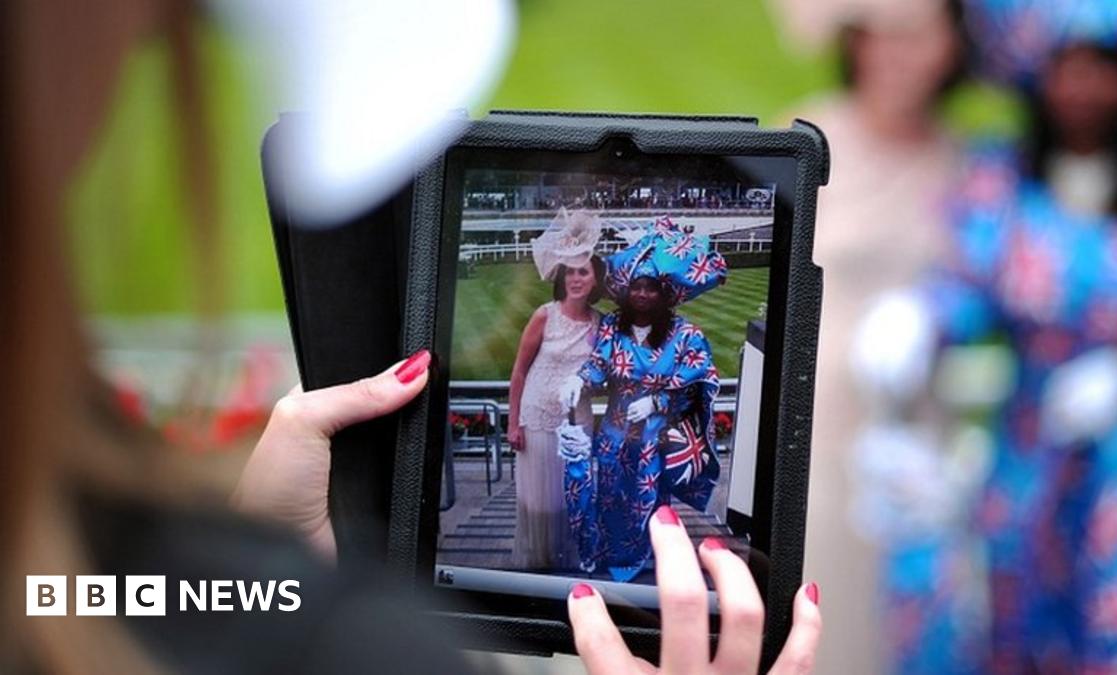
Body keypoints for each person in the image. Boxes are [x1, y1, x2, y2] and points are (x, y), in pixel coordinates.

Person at [4, 2, 824, 672]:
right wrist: (265, 591)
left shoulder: (80, 579)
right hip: (590, 462)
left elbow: (88, 594)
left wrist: (257, 579)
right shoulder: (334, 644)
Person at [859, 1, 1117, 669]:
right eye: (1063, 72)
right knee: (1001, 617)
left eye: (1099, 72)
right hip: (1027, 453)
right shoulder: (1003, 176)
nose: (1079, 91)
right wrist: (918, 316)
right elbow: (966, 280)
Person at [771, 1, 970, 672]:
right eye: (878, 37)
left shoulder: (964, 166)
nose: (896, 56)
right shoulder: (806, 140)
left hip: (910, 437)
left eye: (915, 37)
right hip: (813, 427)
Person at [559, 217, 727, 582]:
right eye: (637, 287)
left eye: (651, 288)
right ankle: (608, 557)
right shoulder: (611, 327)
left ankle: (649, 563)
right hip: (615, 432)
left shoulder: (686, 334)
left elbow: (700, 381)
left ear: (663, 293)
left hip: (655, 437)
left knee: (647, 500)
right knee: (608, 495)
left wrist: (658, 402)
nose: (643, 295)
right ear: (626, 290)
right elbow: (599, 365)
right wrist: (579, 379)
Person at [507, 208, 603, 570]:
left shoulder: (599, 323)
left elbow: (606, 372)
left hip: (576, 424)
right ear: (562, 277)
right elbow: (518, 372)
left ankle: (565, 564)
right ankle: (537, 565)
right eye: (571, 273)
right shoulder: (544, 315)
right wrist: (513, 424)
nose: (576, 279)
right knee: (537, 500)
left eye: (583, 272)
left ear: (594, 279)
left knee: (569, 498)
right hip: (536, 418)